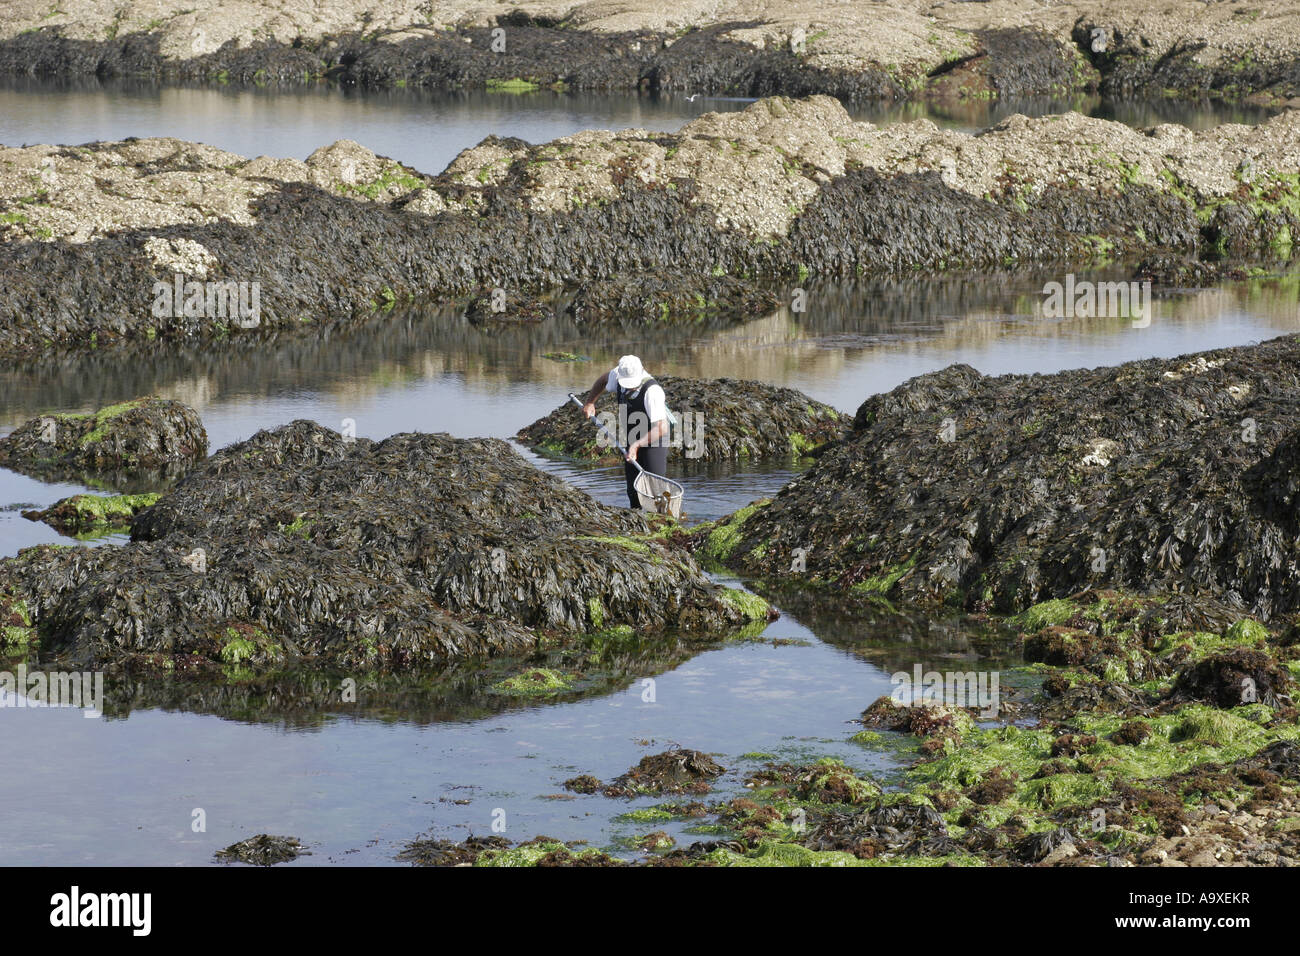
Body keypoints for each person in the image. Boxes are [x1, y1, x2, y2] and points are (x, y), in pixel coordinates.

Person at [581, 355, 670, 510]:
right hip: (631, 437)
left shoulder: (652, 391)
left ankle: (662, 525)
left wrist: (637, 444)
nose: (629, 387)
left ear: (641, 371)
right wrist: (590, 402)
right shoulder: (617, 375)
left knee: (656, 492)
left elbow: (662, 428)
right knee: (633, 491)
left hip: (654, 439)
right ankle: (638, 526)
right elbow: (602, 380)